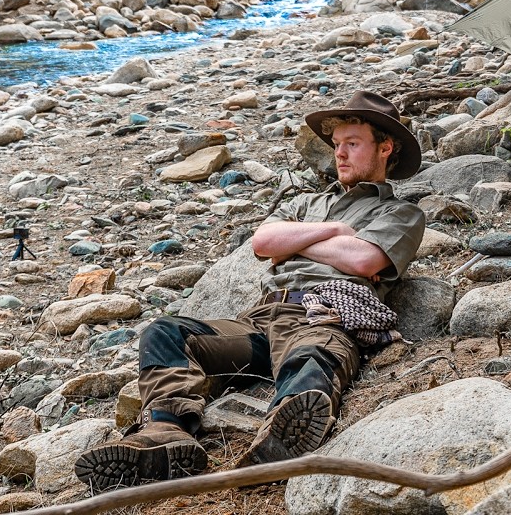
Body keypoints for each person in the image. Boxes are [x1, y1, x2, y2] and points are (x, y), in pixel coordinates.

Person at [74, 90, 426, 492]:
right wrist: (335, 232)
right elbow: (263, 241)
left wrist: (295, 242)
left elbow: (363, 260)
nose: (340, 154)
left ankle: (277, 441)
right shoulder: (306, 202)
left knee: (311, 357)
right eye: (336, 144)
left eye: (352, 144)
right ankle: (165, 435)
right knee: (167, 332)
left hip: (320, 316)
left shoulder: (400, 213)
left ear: (385, 148)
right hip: (259, 323)